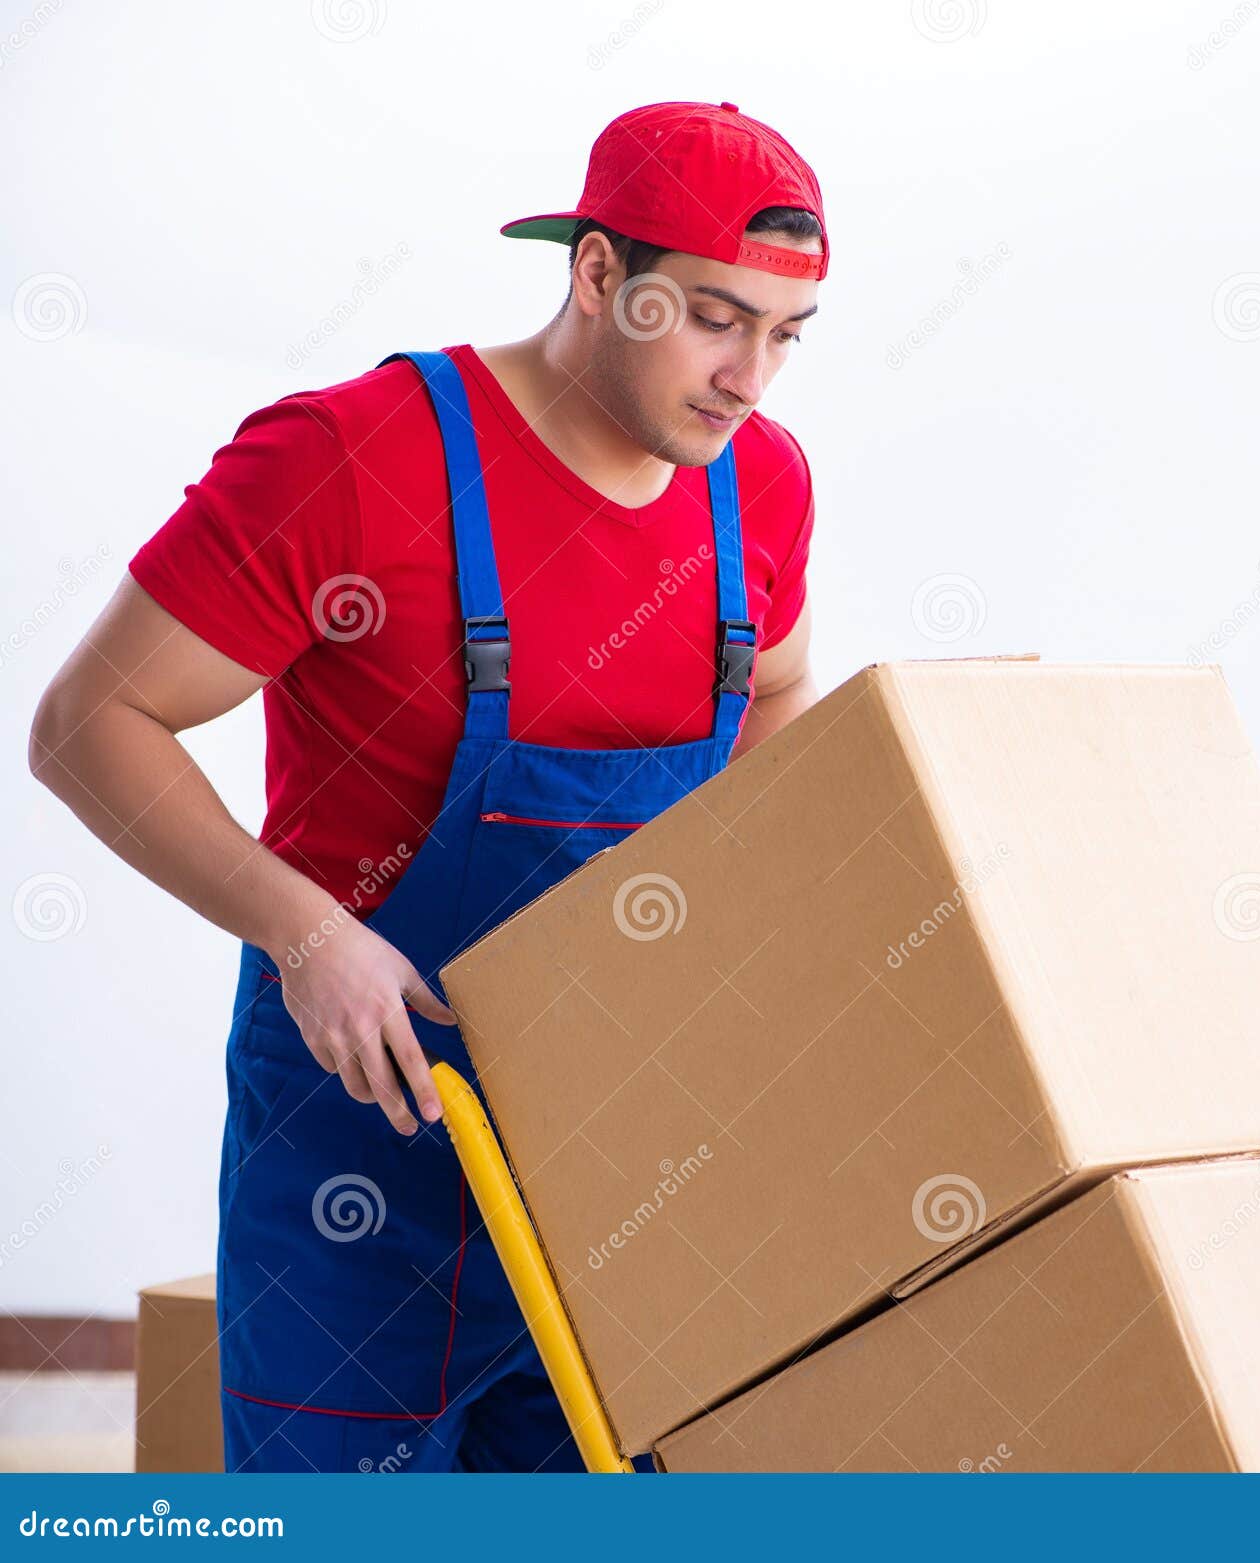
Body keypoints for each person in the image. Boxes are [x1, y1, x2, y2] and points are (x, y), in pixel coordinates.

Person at [28, 99, 827, 1472]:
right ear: (595, 275)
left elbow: (777, 698)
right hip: (367, 1153)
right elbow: (90, 724)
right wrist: (308, 932)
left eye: (785, 335)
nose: (749, 375)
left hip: (619, 1166)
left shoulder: (758, 487)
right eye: (711, 315)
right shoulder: (356, 457)